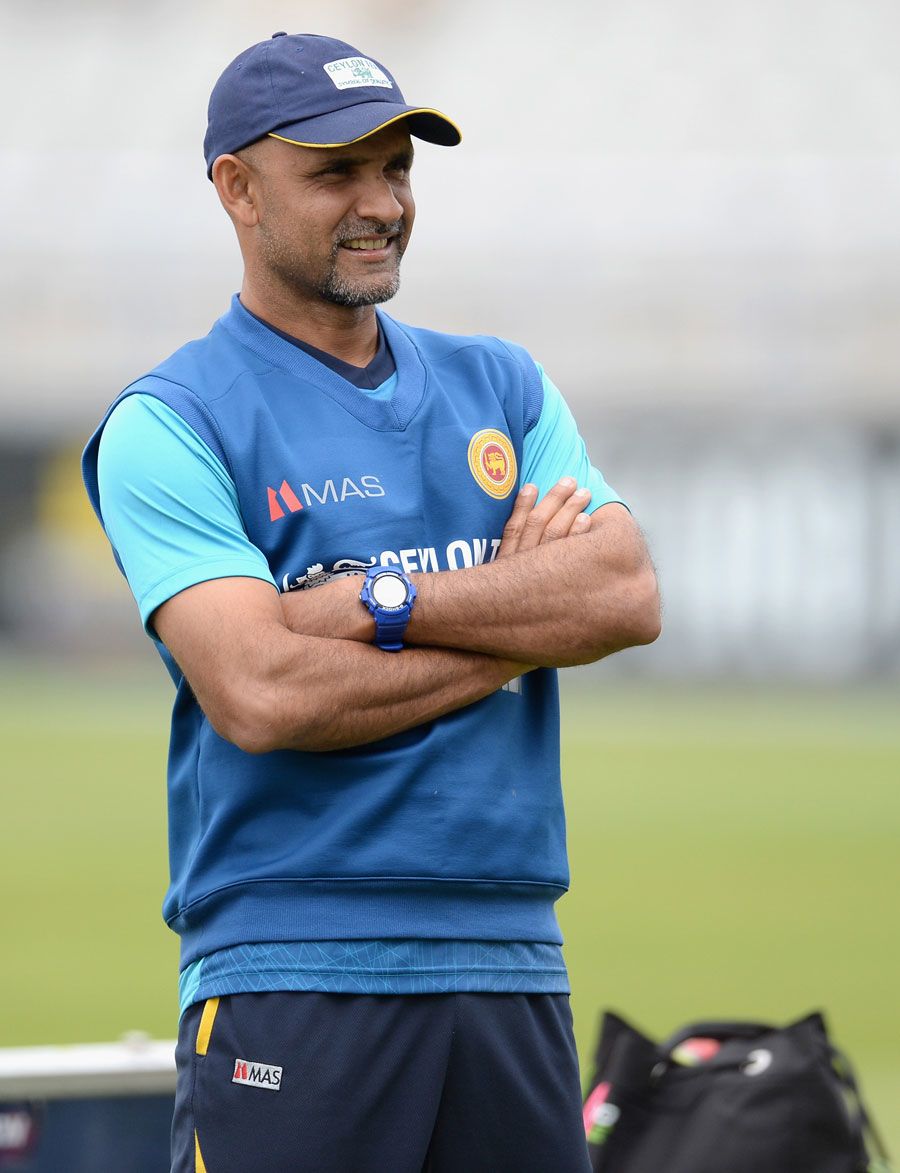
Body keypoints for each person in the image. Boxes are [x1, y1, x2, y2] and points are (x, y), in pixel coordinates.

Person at [82, 31, 660, 1173]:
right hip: (291, 971)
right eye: (336, 172)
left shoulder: (503, 381)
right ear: (236, 189)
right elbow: (261, 690)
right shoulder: (172, 419)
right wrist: (517, 628)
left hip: (513, 964)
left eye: (396, 168)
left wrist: (375, 599)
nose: (382, 202)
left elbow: (624, 594)